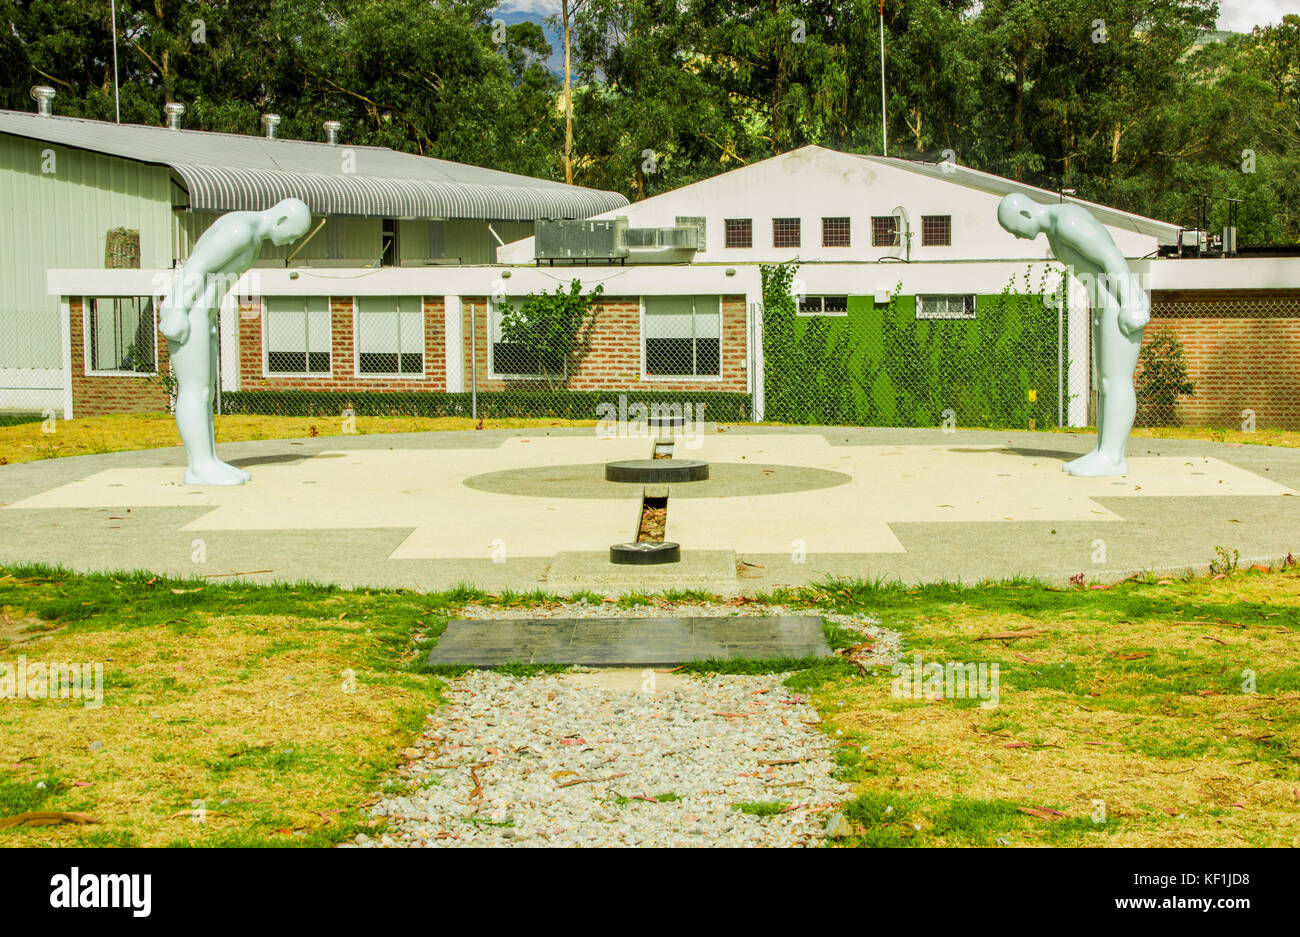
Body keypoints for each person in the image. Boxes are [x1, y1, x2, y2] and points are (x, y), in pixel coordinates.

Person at [159, 198, 311, 485]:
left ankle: (208, 460)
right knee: (194, 389)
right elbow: (197, 266)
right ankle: (198, 467)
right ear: (280, 220)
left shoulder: (250, 232)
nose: (289, 241)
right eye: (292, 234)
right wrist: (177, 310)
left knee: (206, 391)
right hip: (189, 313)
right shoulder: (240, 230)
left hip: (202, 315)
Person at [997, 193, 1150, 477]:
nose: (1018, 236)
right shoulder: (1054, 229)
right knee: (1105, 381)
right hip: (1107, 306)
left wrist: (1130, 303)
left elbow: (1110, 256)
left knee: (1116, 380)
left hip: (1120, 304)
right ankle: (1104, 451)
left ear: (1026, 215)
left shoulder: (1067, 221)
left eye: (1015, 229)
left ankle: (1113, 458)